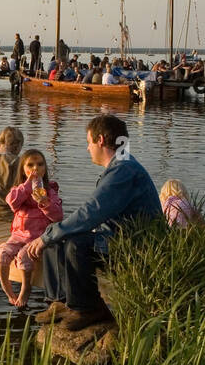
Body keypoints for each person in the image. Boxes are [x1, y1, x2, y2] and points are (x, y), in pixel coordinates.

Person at [24, 115, 161, 330]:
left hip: (136, 244)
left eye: (88, 142)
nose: (87, 148)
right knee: (56, 235)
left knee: (76, 244)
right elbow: (92, 214)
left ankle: (88, 308)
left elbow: (91, 212)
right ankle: (59, 302)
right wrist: (50, 235)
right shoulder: (121, 165)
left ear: (99, 140)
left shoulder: (123, 170)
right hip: (117, 235)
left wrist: (47, 236)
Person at [0, 149, 64, 307]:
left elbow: (58, 216)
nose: (36, 169)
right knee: (2, 253)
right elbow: (12, 202)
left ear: (45, 168)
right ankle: (5, 286)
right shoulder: (19, 190)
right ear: (23, 169)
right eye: (30, 165)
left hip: (38, 237)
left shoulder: (49, 191)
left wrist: (45, 202)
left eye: (40, 164)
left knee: (23, 256)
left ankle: (25, 287)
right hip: (18, 235)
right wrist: (27, 185)